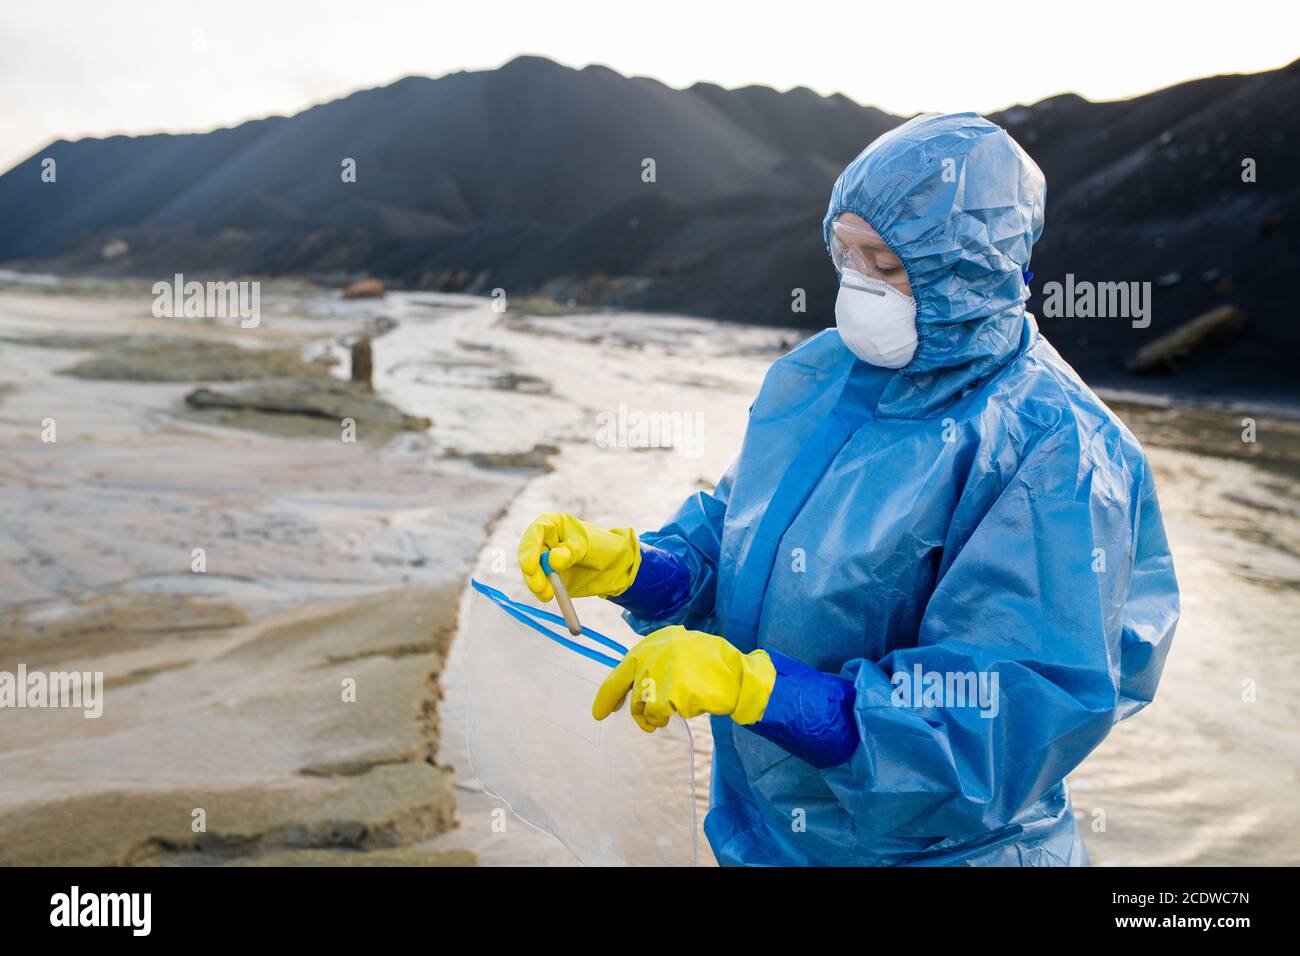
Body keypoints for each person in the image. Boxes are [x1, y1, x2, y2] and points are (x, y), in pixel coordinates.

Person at [517, 112, 1179, 866]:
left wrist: (762, 694)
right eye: (846, 255)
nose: (859, 285)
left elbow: (994, 727)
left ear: (971, 270)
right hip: (773, 837)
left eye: (886, 265)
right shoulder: (821, 378)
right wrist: (639, 568)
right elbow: (741, 545)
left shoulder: (1060, 451)